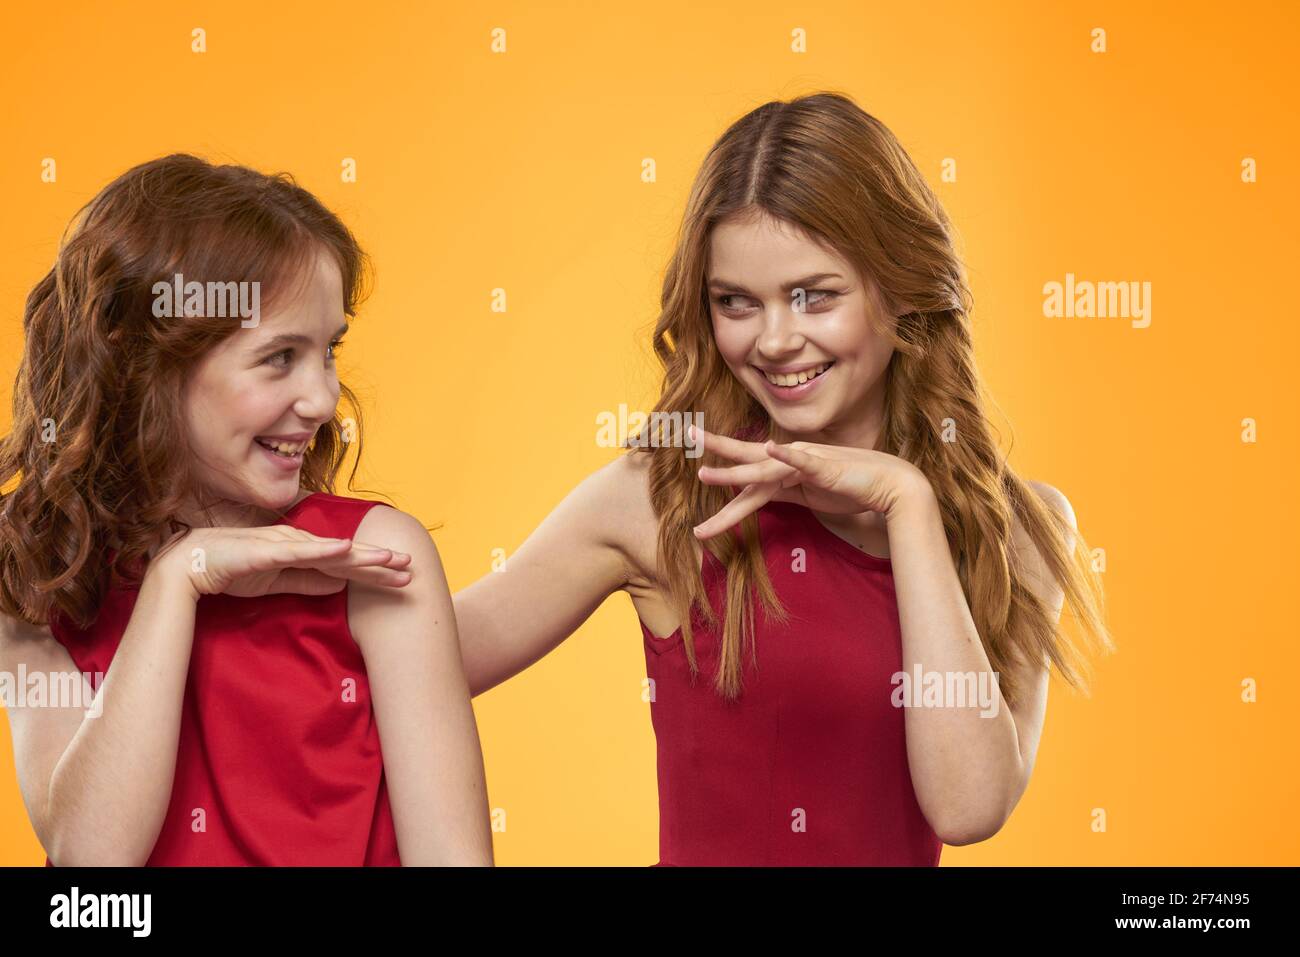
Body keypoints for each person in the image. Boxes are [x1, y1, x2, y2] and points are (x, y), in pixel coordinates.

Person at [453, 91, 1113, 866]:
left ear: (899, 288)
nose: (773, 340)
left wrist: (909, 503)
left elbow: (968, 806)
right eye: (736, 302)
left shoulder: (1021, 522)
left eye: (814, 296)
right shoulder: (664, 497)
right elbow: (410, 669)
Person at [0, 154, 493, 866]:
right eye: (279, 357)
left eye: (328, 353)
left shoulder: (373, 560)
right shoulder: (38, 575)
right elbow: (91, 863)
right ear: (150, 365)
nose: (323, 400)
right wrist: (178, 579)